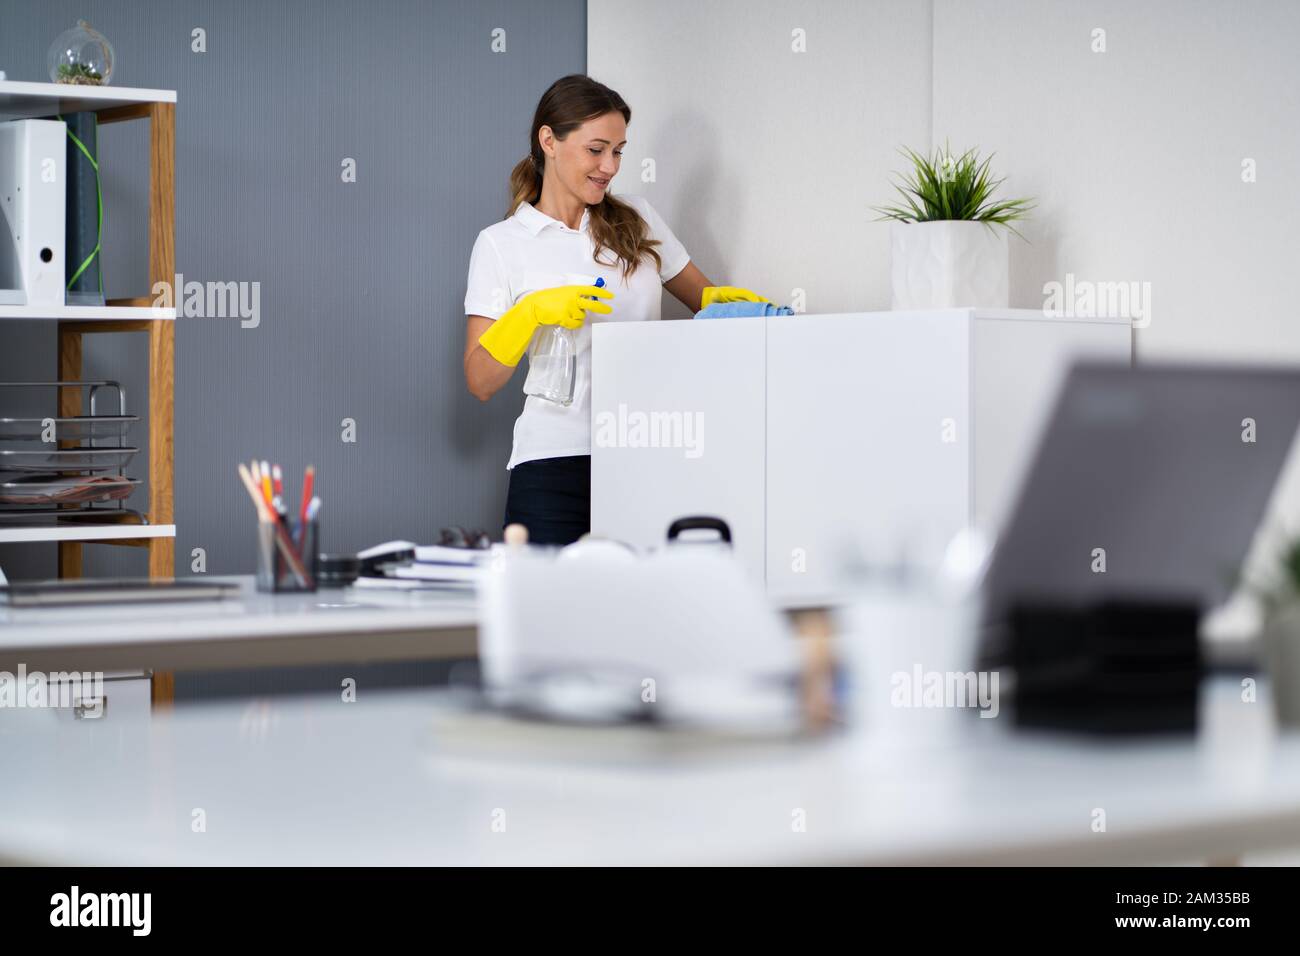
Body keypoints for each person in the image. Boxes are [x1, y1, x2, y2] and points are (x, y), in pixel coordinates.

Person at [463, 74, 768, 545]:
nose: (610, 166)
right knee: (554, 611)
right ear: (549, 140)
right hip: (552, 463)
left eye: (619, 150)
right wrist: (529, 314)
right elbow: (480, 380)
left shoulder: (638, 218)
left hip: (647, 448)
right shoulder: (501, 244)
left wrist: (723, 306)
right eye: (596, 149)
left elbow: (703, 304)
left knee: (645, 610)